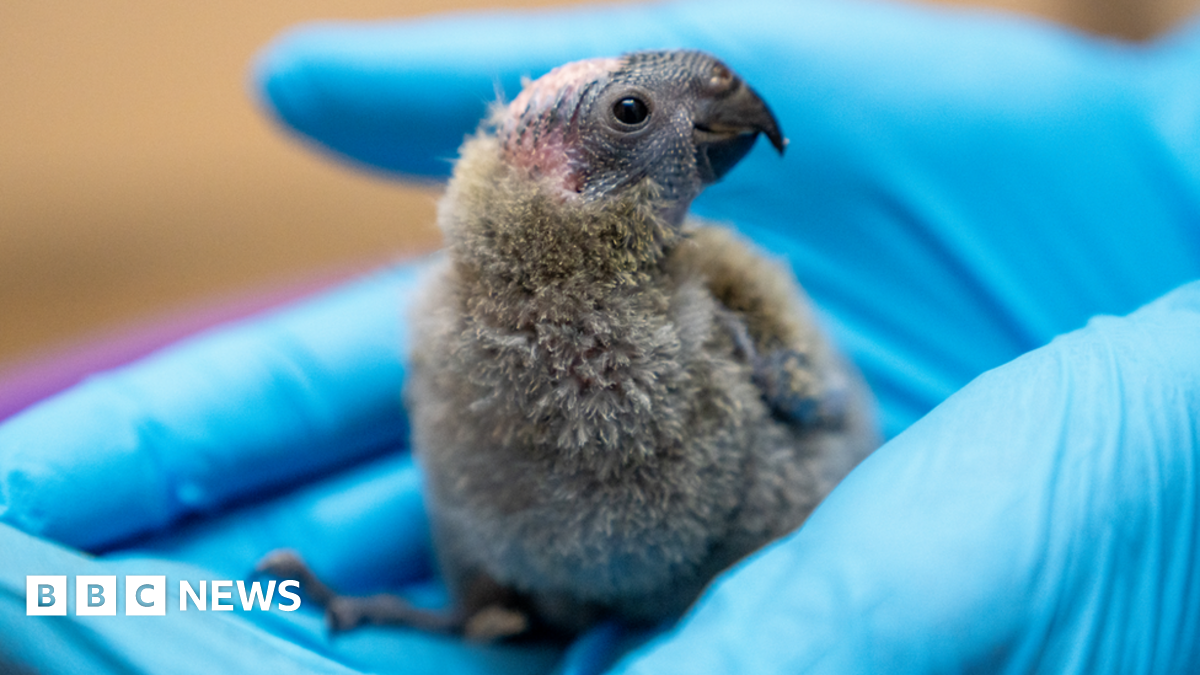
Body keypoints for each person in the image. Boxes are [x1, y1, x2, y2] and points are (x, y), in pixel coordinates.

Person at [2, 0, 1199, 672]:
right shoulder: (450, 330)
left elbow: (793, 377)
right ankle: (469, 616)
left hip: (763, 511)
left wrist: (788, 377)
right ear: (566, 183)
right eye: (635, 113)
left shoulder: (714, 285)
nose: (707, 109)